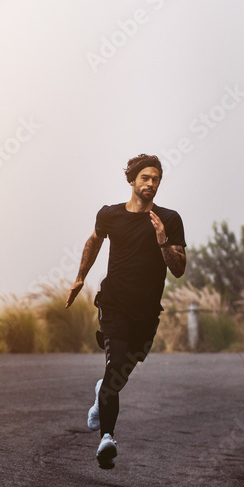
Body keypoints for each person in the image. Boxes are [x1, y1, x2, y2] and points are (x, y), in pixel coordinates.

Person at [64, 154, 186, 469]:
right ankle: (107, 437)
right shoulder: (110, 215)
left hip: (146, 315)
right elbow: (94, 241)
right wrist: (80, 278)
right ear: (131, 180)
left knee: (117, 377)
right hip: (114, 304)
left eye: (156, 179)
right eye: (145, 177)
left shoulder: (169, 219)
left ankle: (101, 391)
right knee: (115, 364)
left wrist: (162, 242)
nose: (151, 184)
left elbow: (179, 270)